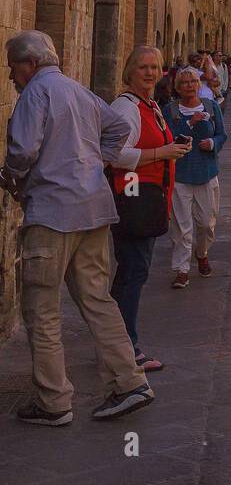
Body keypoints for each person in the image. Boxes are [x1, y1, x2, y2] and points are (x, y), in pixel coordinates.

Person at [2, 31, 154, 425]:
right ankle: (130, 382)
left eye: (13, 68)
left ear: (30, 64)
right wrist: (92, 165)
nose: (11, 77)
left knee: (42, 307)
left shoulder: (35, 94)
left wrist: (13, 177)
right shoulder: (80, 91)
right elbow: (117, 130)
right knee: (97, 298)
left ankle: (53, 400)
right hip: (93, 209)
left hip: (53, 213)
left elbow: (21, 151)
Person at [110, 45, 192, 372]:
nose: (150, 73)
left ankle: (116, 343)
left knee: (132, 273)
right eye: (143, 67)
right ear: (130, 70)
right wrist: (163, 152)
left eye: (155, 67)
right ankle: (126, 348)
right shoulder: (126, 107)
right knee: (132, 274)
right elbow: (117, 155)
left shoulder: (151, 105)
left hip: (148, 199)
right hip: (134, 200)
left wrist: (171, 147)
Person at [163, 67, 227, 288]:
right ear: (178, 87)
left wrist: (213, 144)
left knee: (207, 223)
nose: (189, 85)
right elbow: (169, 137)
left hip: (207, 173)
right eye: (185, 82)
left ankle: (202, 253)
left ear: (199, 84)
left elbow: (221, 134)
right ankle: (181, 269)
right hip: (181, 174)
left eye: (193, 81)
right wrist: (190, 123)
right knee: (181, 226)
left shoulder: (211, 107)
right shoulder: (170, 110)